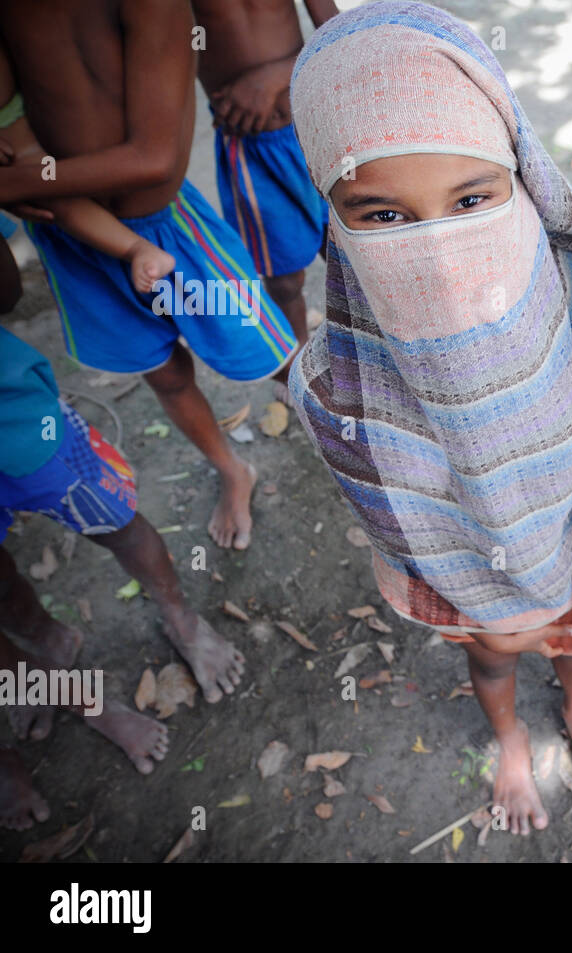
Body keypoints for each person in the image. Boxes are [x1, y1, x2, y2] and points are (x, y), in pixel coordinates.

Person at [289, 2, 572, 835]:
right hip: (469, 582)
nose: (438, 251)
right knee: (495, 652)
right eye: (384, 216)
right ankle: (510, 738)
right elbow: (397, 505)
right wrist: (508, 606)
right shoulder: (340, 383)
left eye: (472, 197)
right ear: (332, 210)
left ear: (520, 173)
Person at [0, 0, 298, 551]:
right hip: (73, 244)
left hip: (170, 231)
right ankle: (233, 469)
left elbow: (154, 160)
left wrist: (18, 185)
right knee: (163, 374)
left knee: (271, 351)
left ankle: (349, 433)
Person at [0, 228, 239, 779]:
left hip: (14, 423)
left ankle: (182, 621)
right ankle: (54, 664)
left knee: (114, 520)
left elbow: (5, 289)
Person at [191, 0, 339, 399]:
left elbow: (339, 33)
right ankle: (304, 377)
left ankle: (382, 346)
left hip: (315, 124)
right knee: (283, 275)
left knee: (349, 251)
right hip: (251, 151)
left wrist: (278, 73)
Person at [0, 46, 174, 294]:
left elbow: (155, 163)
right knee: (55, 202)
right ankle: (136, 248)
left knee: (56, 198)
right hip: (23, 146)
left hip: (23, 136)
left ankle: (136, 248)